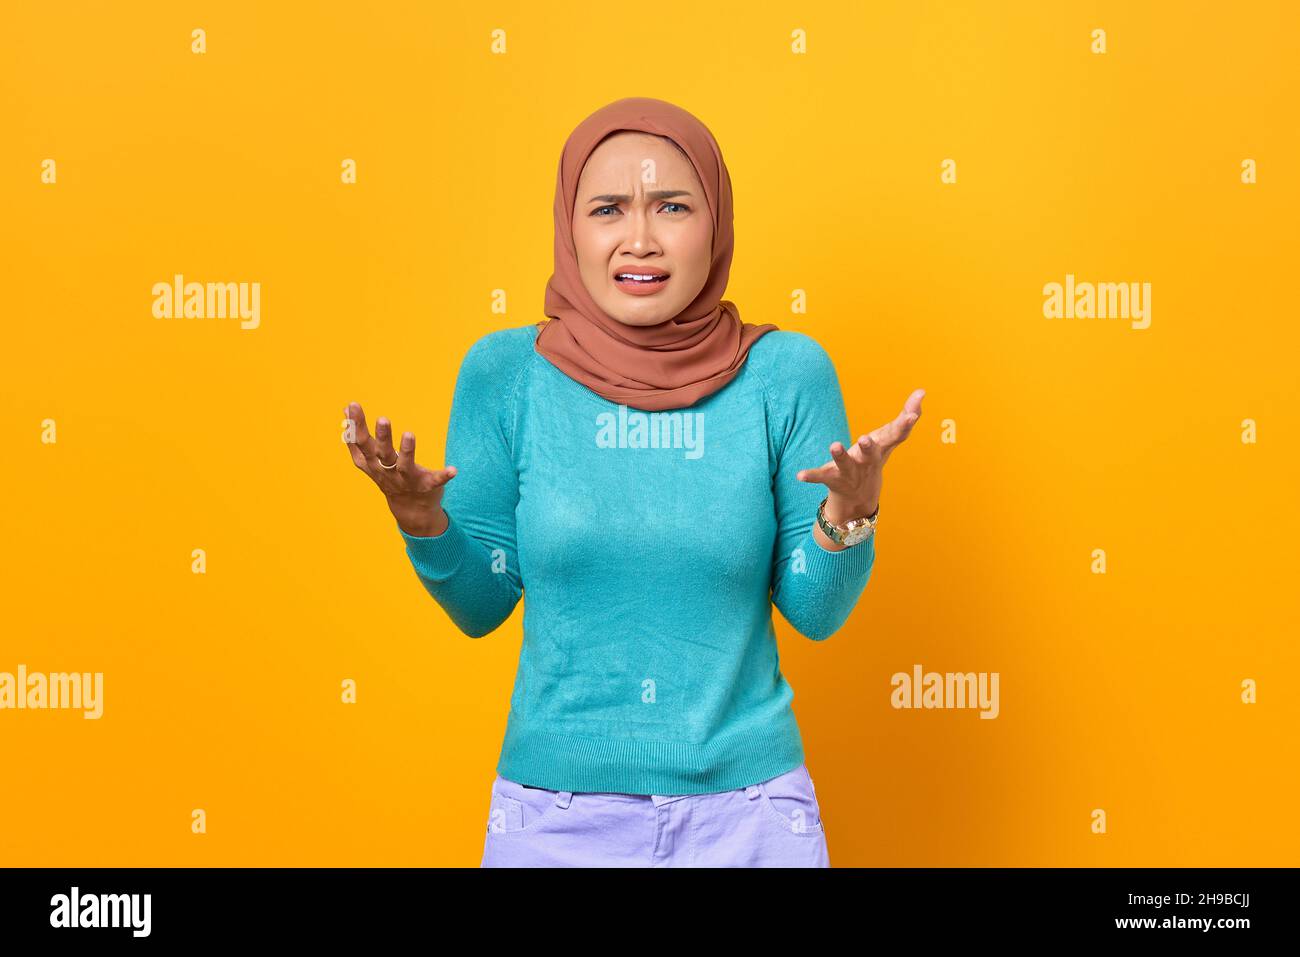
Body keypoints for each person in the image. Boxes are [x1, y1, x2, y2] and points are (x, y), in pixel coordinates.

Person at [344, 97, 923, 866]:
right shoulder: (505, 374)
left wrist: (850, 512)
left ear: (714, 223)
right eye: (608, 208)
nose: (639, 239)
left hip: (749, 821)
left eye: (672, 206)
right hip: (553, 822)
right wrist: (422, 520)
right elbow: (482, 606)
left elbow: (814, 610)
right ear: (570, 227)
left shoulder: (786, 373)